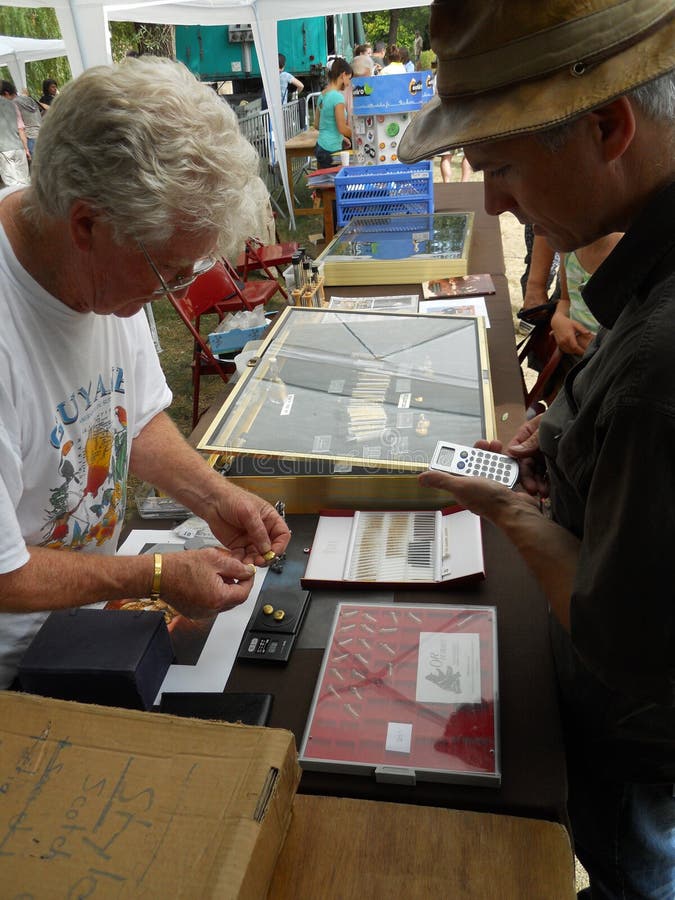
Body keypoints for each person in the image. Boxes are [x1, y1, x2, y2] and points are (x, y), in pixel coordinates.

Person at [399, 2, 675, 898]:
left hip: (639, 741)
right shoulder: (648, 270)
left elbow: (623, 644)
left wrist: (510, 511)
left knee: (632, 873)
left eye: (503, 166)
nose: (493, 201)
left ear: (607, 126)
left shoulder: (658, 362)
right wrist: (559, 444)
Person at [0, 56, 290, 690]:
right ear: (85, 223)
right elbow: (4, 575)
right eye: (168, 271)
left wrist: (217, 498)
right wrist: (156, 576)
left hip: (85, 630)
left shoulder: (103, 272)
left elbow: (136, 414)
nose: (173, 291)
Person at [551, 233, 623, 356]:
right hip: (571, 359)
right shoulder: (569, 249)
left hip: (609, 362)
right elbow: (566, 300)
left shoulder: (627, 251)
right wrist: (558, 318)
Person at [313, 58, 352, 170]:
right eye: (349, 78)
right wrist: (358, 135)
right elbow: (342, 128)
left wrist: (341, 137)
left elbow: (317, 125)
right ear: (343, 75)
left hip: (321, 146)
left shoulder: (322, 94)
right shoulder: (337, 97)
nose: (348, 83)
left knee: (324, 182)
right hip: (332, 150)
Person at [1, 81, 41, 158]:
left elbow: (18, 128)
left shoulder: (12, 104)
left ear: (6, 93)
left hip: (29, 138)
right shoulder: (29, 99)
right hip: (41, 134)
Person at [0, 93, 30, 186]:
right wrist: (26, 149)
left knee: (12, 185)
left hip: (4, 150)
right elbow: (21, 129)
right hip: (19, 147)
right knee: (25, 181)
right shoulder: (12, 104)